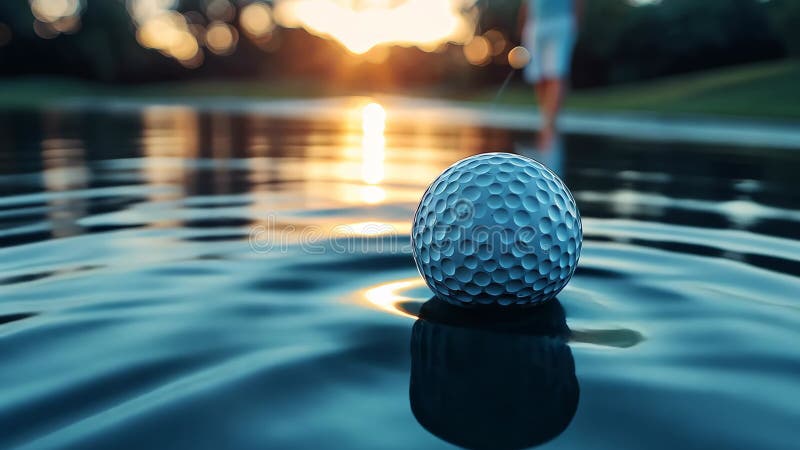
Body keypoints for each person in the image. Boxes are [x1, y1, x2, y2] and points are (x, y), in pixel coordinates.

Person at [518, 0, 582, 149]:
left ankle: (550, 123)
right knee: (538, 75)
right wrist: (523, 25)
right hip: (535, 23)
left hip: (561, 21)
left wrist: (575, 23)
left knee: (556, 73)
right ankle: (545, 117)